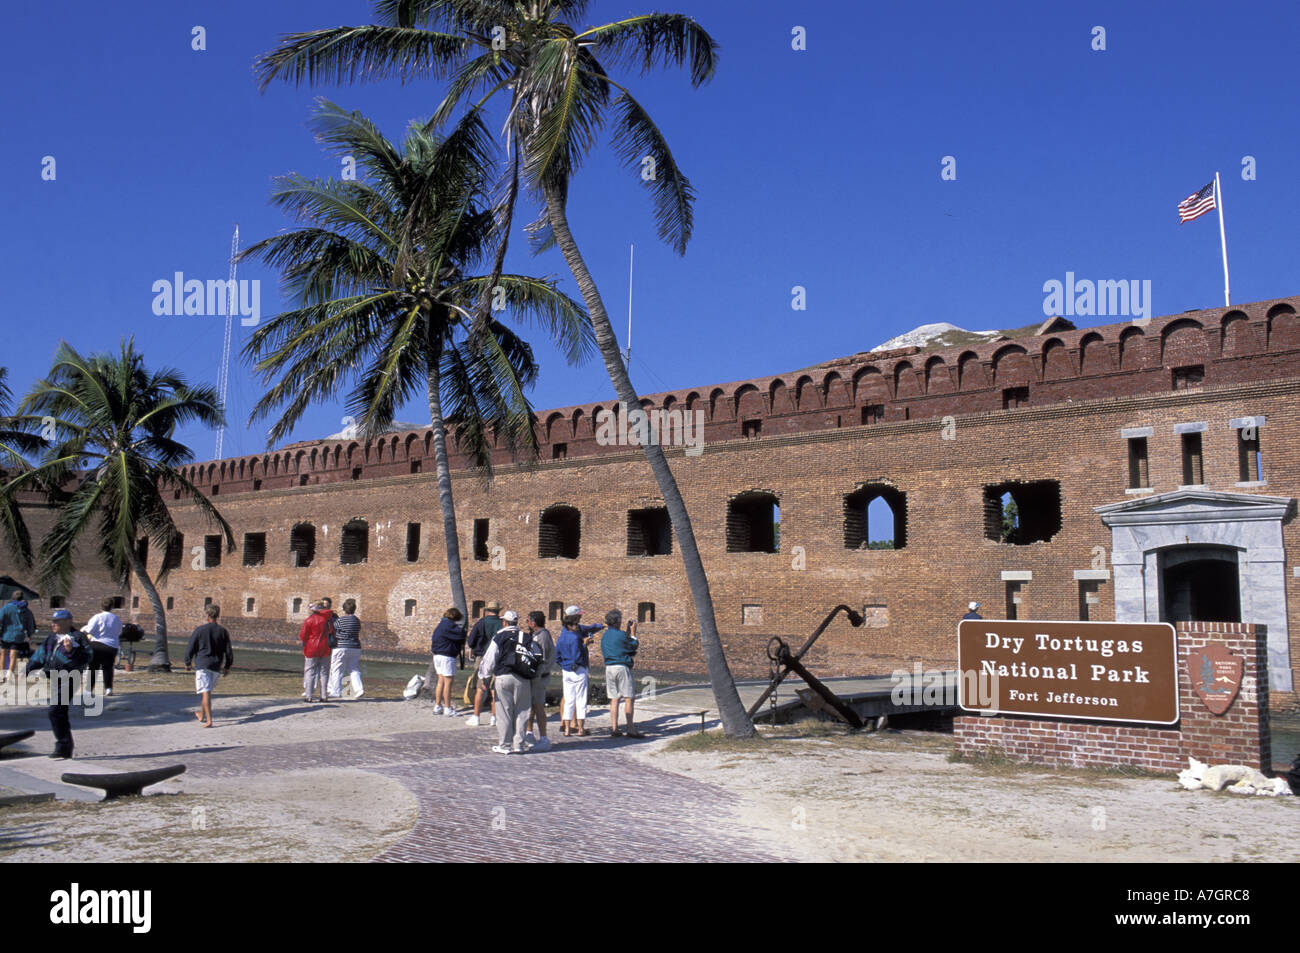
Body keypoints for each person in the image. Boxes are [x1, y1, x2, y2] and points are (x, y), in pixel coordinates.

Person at [26, 608, 91, 759]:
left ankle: (63, 746)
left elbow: (88, 656)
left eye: (57, 622)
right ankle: (64, 746)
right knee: (59, 713)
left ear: (68, 622)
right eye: (52, 621)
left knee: (55, 711)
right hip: (54, 677)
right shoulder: (52, 638)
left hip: (70, 677)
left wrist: (71, 651)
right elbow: (41, 654)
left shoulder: (78, 637)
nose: (53, 624)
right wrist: (28, 668)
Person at [479, 610, 538, 754]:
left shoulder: (499, 637)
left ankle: (505, 745)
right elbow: (536, 656)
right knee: (522, 711)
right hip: (522, 678)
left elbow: (490, 658)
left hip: (503, 676)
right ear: (516, 622)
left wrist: (484, 677)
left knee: (504, 711)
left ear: (504, 622)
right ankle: (519, 744)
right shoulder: (526, 637)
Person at [555, 606, 603, 737]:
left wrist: (565, 665)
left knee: (569, 699)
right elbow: (578, 655)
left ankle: (567, 729)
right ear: (574, 620)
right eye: (578, 618)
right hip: (579, 669)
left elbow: (557, 656)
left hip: (566, 671)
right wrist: (585, 644)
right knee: (581, 699)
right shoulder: (576, 637)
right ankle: (581, 729)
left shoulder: (562, 635)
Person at [184, 604, 233, 728]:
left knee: (205, 692)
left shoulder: (200, 630)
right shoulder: (223, 631)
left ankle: (209, 721)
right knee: (206, 691)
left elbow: (190, 647)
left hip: (202, 664)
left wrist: (187, 662)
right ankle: (201, 714)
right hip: (216, 666)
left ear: (207, 615)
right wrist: (227, 666)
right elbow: (228, 652)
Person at [601, 610, 642, 738]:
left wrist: (626, 632)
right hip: (622, 666)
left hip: (609, 668)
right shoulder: (621, 635)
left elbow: (619, 642)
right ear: (618, 621)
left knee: (614, 698)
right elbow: (632, 646)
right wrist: (633, 634)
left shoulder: (605, 635)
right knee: (629, 698)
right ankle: (630, 729)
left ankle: (614, 728)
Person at [464, 602, 502, 726]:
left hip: (482, 658)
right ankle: (494, 718)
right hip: (498, 659)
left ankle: (476, 717)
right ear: (498, 611)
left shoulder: (481, 623)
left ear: (487, 611)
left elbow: (470, 641)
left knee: (480, 688)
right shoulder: (502, 623)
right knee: (494, 689)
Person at [523, 611, 555, 751]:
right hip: (534, 677)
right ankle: (529, 733)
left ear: (533, 623)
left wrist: (536, 673)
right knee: (530, 706)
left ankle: (543, 737)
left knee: (539, 707)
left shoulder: (542, 637)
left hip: (539, 678)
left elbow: (543, 659)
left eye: (528, 620)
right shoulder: (537, 635)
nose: (527, 623)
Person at [83, 596, 124, 697]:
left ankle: (89, 690)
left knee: (93, 667)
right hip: (112, 646)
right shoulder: (116, 619)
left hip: (97, 644)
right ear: (112, 607)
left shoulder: (97, 617)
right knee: (108, 667)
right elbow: (119, 632)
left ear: (101, 606)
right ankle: (108, 689)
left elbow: (89, 630)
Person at [429, 607, 466, 716]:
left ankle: (437, 706)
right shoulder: (450, 626)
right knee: (448, 683)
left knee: (440, 681)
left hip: (437, 656)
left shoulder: (440, 625)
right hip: (447, 656)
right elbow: (461, 635)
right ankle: (448, 708)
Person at [297, 599, 334, 702]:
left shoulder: (309, 620)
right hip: (325, 647)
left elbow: (303, 636)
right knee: (324, 672)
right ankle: (324, 696)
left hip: (312, 648)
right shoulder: (328, 619)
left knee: (310, 672)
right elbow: (332, 632)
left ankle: (309, 696)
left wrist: (307, 641)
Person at [328, 598, 364, 700]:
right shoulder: (357, 621)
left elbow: (333, 629)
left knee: (337, 669)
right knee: (354, 669)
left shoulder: (340, 620)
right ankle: (359, 689)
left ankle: (336, 691)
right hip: (355, 647)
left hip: (341, 646)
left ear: (344, 609)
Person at [0, 589, 35, 682]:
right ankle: (9, 675)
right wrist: (29, 634)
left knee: (3, 653)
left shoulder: (6, 607)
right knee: (13, 655)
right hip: (19, 635)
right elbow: (30, 624)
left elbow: (0, 620)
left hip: (5, 634)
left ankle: (1, 674)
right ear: (22, 598)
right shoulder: (26, 610)